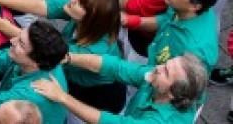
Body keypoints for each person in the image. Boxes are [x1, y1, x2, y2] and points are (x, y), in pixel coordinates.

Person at [31, 53, 208, 124]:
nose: (157, 67)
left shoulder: (158, 121)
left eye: (166, 72)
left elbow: (110, 121)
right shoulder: (158, 79)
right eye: (165, 64)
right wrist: (68, 57)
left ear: (172, 94)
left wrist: (62, 97)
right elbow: (117, 68)